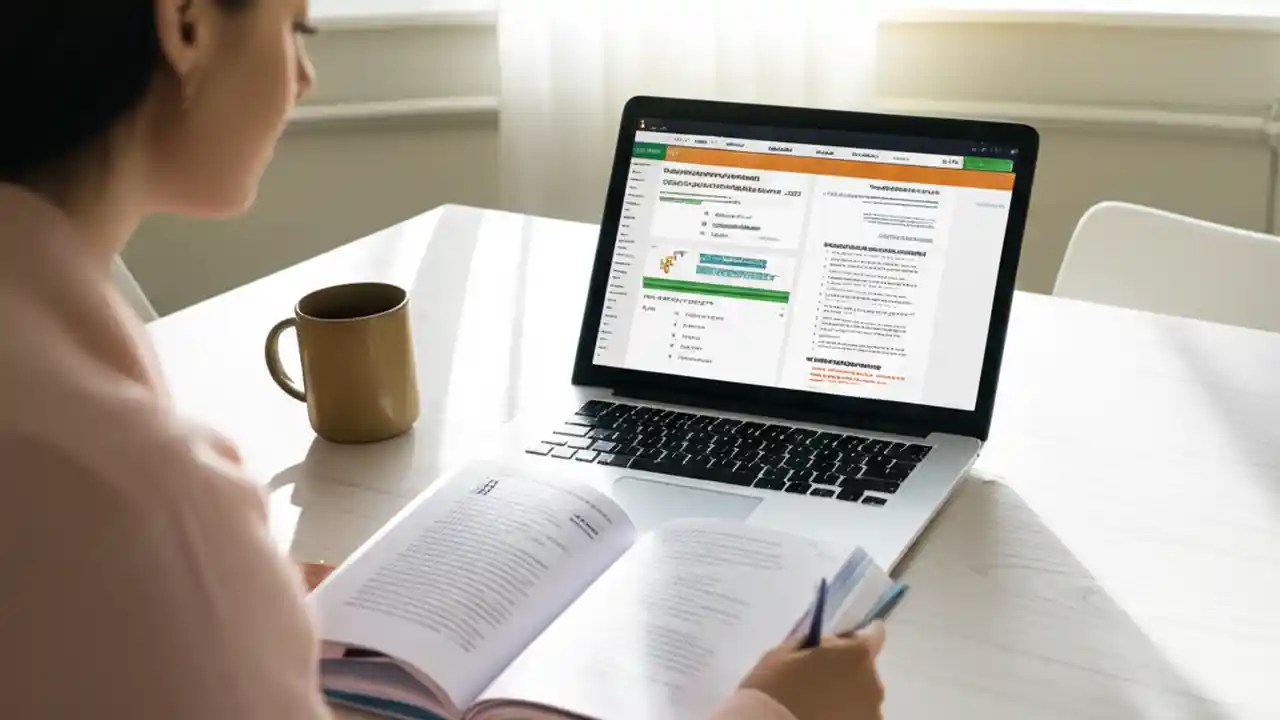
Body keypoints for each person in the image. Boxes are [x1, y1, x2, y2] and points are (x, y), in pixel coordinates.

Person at [0, 1, 888, 718]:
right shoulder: (150, 498)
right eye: (294, 28)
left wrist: (248, 601)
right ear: (185, 24)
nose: (303, 77)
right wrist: (773, 711)